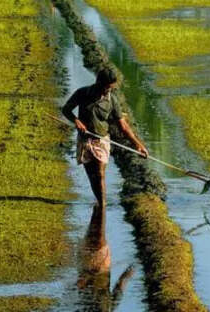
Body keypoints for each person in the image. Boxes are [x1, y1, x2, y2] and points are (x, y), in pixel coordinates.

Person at [61, 66, 148, 208]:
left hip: (101, 140)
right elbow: (66, 110)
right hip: (85, 140)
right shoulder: (83, 93)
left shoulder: (112, 100)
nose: (108, 91)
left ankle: (102, 205)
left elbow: (123, 126)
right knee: (92, 176)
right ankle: (99, 202)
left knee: (100, 174)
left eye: (111, 88)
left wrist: (138, 145)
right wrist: (77, 121)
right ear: (99, 83)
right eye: (107, 87)